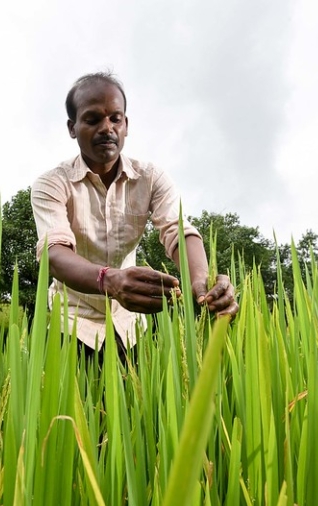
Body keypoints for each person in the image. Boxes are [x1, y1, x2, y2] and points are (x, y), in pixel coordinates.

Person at [31, 72, 238, 355]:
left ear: (126, 125)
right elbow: (54, 253)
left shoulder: (150, 178)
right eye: (92, 119)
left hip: (129, 326)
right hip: (71, 323)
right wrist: (109, 280)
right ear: (72, 127)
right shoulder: (52, 184)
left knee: (135, 384)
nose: (107, 128)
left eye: (115, 118)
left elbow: (177, 231)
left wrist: (200, 280)